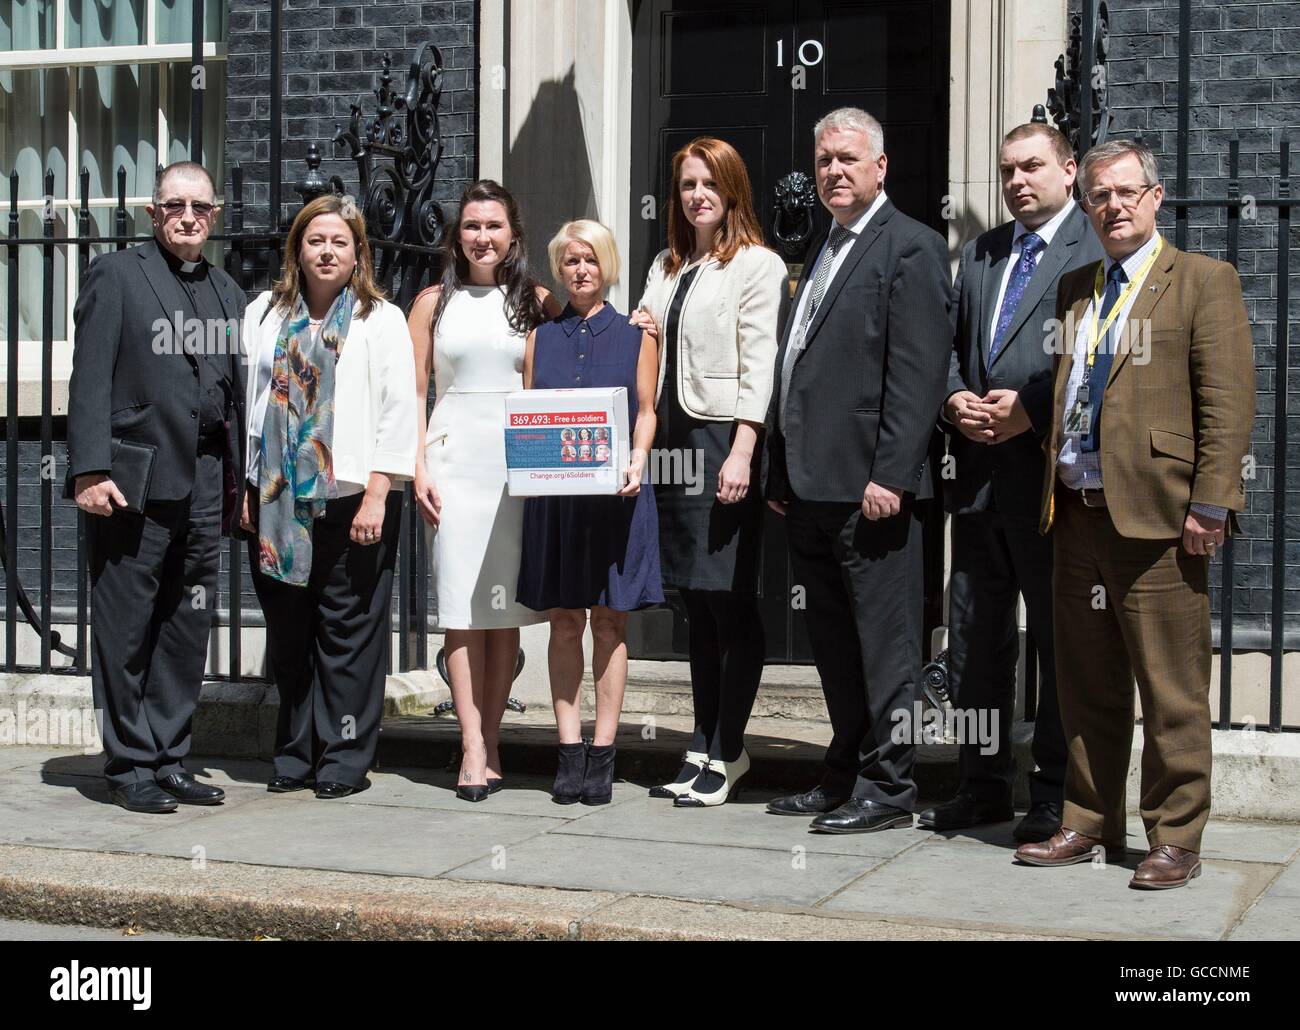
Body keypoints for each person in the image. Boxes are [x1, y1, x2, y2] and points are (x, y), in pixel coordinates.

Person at [1014, 139, 1255, 888]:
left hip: (1159, 519)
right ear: (1085, 207)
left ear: (1155, 197)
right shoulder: (1077, 289)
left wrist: (1212, 502)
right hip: (1078, 513)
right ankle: (1086, 822)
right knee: (1086, 683)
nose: (1113, 205)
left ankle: (1175, 836)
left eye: (1126, 192)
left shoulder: (1203, 282)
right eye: (1099, 196)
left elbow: (1227, 401)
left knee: (1172, 688)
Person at [763, 107, 951, 832]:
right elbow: (802, 366)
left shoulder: (912, 247)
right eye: (823, 162)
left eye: (847, 159)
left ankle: (890, 789)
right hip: (811, 489)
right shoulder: (825, 246)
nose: (833, 171)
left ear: (880, 166)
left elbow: (917, 369)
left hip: (873, 491)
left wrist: (893, 475)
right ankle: (843, 771)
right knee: (836, 649)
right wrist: (783, 472)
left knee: (885, 649)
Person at [918, 123, 1103, 843]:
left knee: (1056, 644)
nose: (1018, 181)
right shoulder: (983, 252)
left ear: (1068, 170)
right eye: (1006, 171)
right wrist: (952, 397)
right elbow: (950, 348)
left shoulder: (1093, 246)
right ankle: (981, 783)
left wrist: (1032, 411)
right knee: (974, 637)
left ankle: (1053, 794)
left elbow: (1099, 360)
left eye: (1031, 167)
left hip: (1050, 483)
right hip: (976, 484)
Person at [67, 161, 247, 814]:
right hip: (132, 483)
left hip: (204, 483)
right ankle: (130, 764)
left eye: (200, 207)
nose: (188, 217)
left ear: (215, 215)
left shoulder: (229, 292)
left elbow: (234, 396)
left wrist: (242, 481)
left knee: (185, 627)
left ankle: (170, 757)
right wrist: (89, 469)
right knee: (127, 629)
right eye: (175, 206)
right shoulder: (117, 275)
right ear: (154, 213)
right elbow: (88, 375)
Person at [241, 193, 417, 799]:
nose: (327, 250)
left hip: (351, 497)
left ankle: (344, 756)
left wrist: (379, 493)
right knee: (290, 634)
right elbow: (253, 406)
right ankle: (296, 751)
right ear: (298, 248)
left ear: (357, 253)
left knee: (348, 633)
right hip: (277, 498)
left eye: (340, 241)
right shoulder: (263, 312)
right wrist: (248, 483)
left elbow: (401, 408)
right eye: (315, 240)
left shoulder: (381, 319)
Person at [631, 137, 787, 806]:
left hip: (721, 437)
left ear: (732, 192)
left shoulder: (758, 265)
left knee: (728, 595)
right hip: (670, 438)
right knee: (694, 600)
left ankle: (730, 747)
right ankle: (701, 739)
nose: (697, 195)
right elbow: (646, 344)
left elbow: (762, 363)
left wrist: (744, 451)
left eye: (709, 184)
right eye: (688, 184)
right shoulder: (666, 266)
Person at [409, 180, 560, 802]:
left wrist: (641, 322)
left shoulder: (537, 301)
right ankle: (470, 742)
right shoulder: (430, 303)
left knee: (504, 615)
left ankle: (493, 738)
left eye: (494, 226)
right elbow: (411, 394)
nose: (482, 237)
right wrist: (416, 468)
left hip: (515, 463)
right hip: (452, 459)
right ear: (457, 235)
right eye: (472, 226)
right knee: (461, 613)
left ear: (514, 236)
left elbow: (592, 332)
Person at [518, 219, 662, 806]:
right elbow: (528, 417)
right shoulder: (539, 337)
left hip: (617, 498)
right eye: (571, 261)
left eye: (591, 260)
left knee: (608, 621)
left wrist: (638, 457)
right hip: (556, 502)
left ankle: (604, 752)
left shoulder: (637, 334)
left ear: (608, 266)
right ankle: (568, 750)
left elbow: (647, 410)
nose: (581, 270)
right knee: (564, 621)